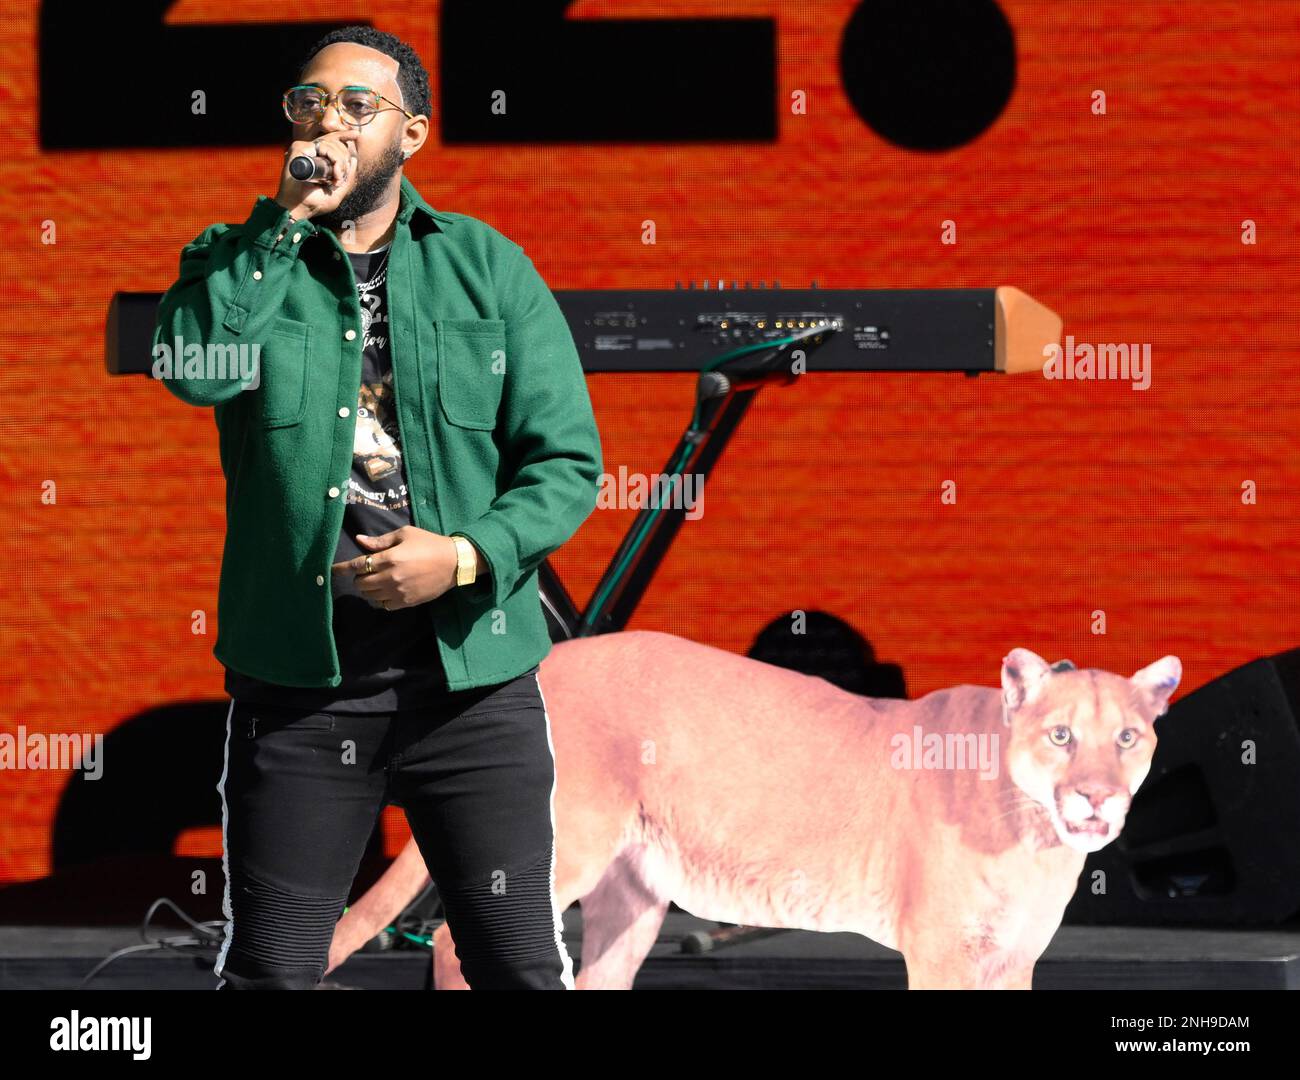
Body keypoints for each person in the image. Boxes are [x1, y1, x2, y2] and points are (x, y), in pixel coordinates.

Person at [151, 25, 602, 989]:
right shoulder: (237, 260)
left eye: (361, 107)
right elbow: (189, 370)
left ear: (415, 134)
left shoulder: (486, 267)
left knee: (515, 966)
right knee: (273, 970)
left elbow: (566, 464)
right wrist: (281, 224)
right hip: (302, 690)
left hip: (471, 684)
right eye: (311, 103)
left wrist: (466, 556)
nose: (331, 123)